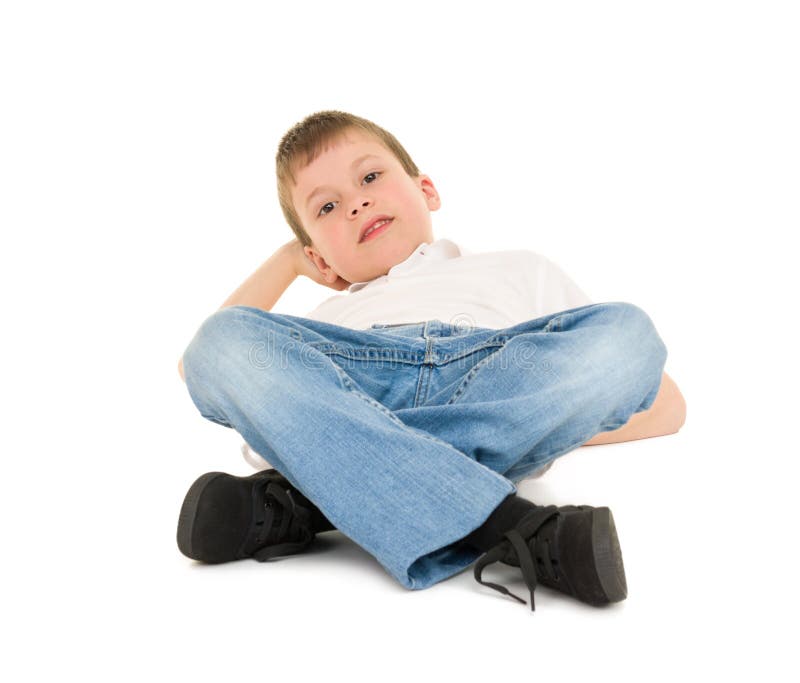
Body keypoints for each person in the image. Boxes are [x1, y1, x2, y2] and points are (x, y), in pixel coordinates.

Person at [176, 110, 686, 611]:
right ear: (318, 257)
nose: (356, 204)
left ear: (427, 191)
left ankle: (314, 502)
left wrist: (527, 424)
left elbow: (663, 405)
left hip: (489, 376)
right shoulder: (326, 315)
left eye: (370, 177)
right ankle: (511, 528)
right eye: (326, 208)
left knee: (628, 335)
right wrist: (288, 261)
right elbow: (200, 369)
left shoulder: (517, 268)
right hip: (361, 376)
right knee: (220, 342)